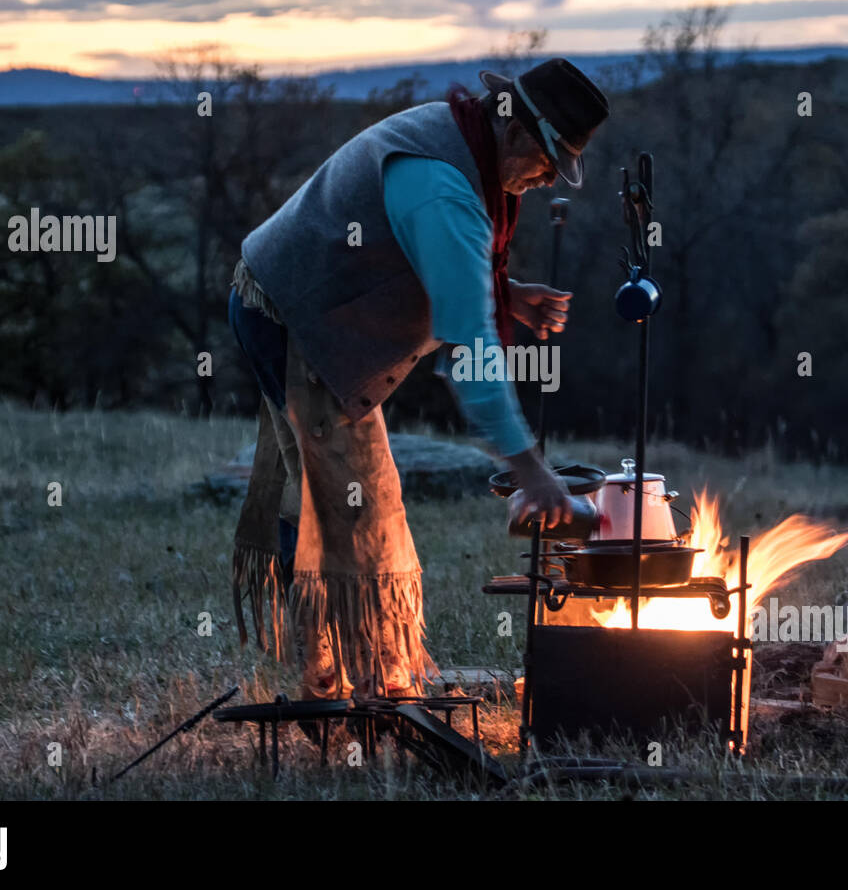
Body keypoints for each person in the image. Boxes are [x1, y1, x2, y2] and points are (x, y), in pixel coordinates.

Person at [227, 58, 610, 699]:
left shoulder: (459, 138)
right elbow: (471, 353)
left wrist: (506, 292)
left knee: (349, 490)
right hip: (292, 313)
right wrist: (533, 473)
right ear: (515, 132)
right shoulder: (446, 189)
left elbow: (422, 258)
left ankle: (350, 668)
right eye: (547, 162)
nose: (546, 181)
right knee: (349, 500)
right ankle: (349, 684)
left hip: (300, 303)